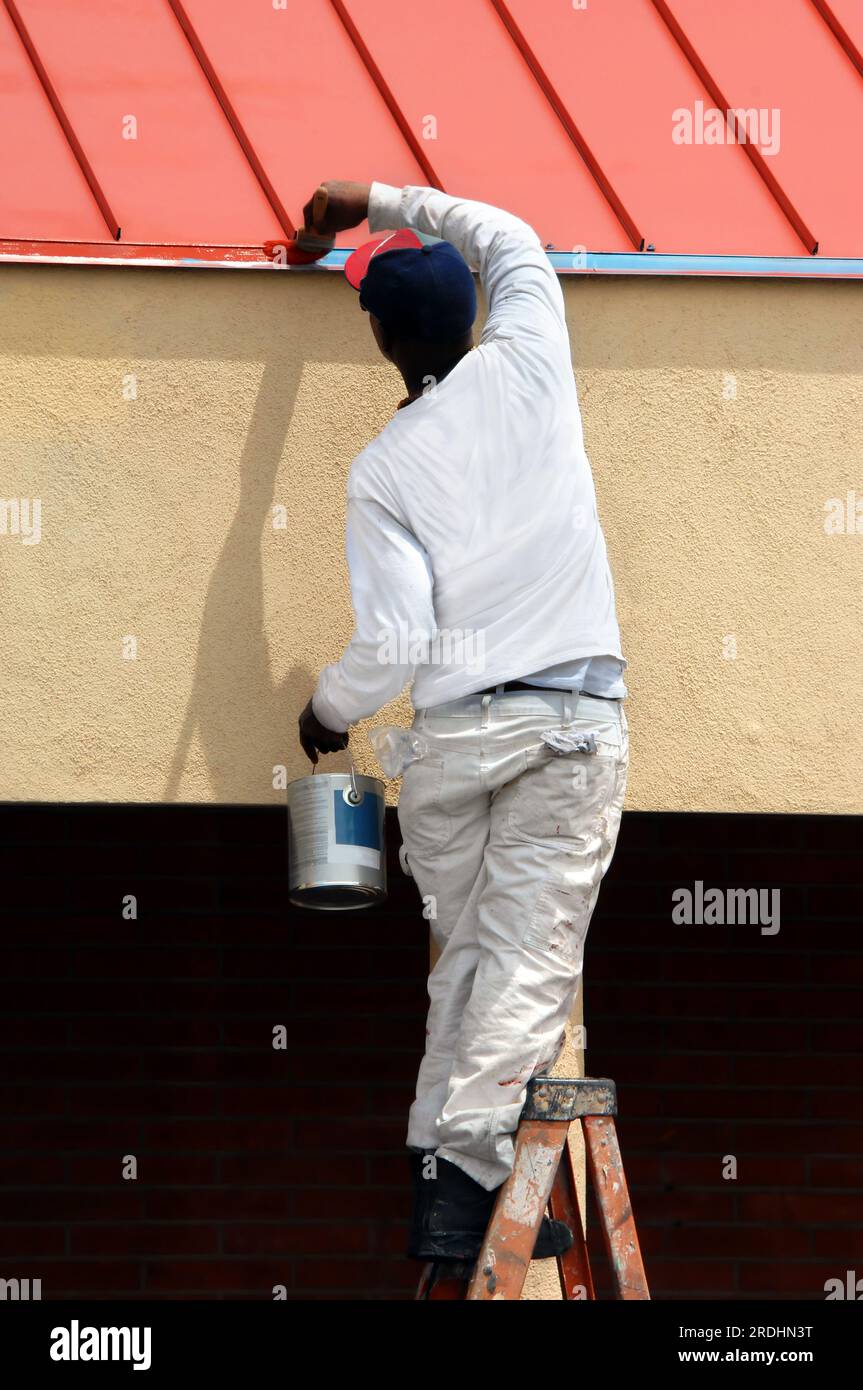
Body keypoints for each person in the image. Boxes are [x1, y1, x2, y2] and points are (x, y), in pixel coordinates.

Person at [297, 179, 629, 1262]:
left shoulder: (384, 466)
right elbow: (508, 232)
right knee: (528, 960)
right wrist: (376, 198)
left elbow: (390, 645)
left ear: (386, 340)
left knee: (467, 964)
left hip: (445, 749)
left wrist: (323, 712)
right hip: (561, 730)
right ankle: (474, 1164)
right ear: (473, 312)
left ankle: (435, 1167)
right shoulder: (529, 355)